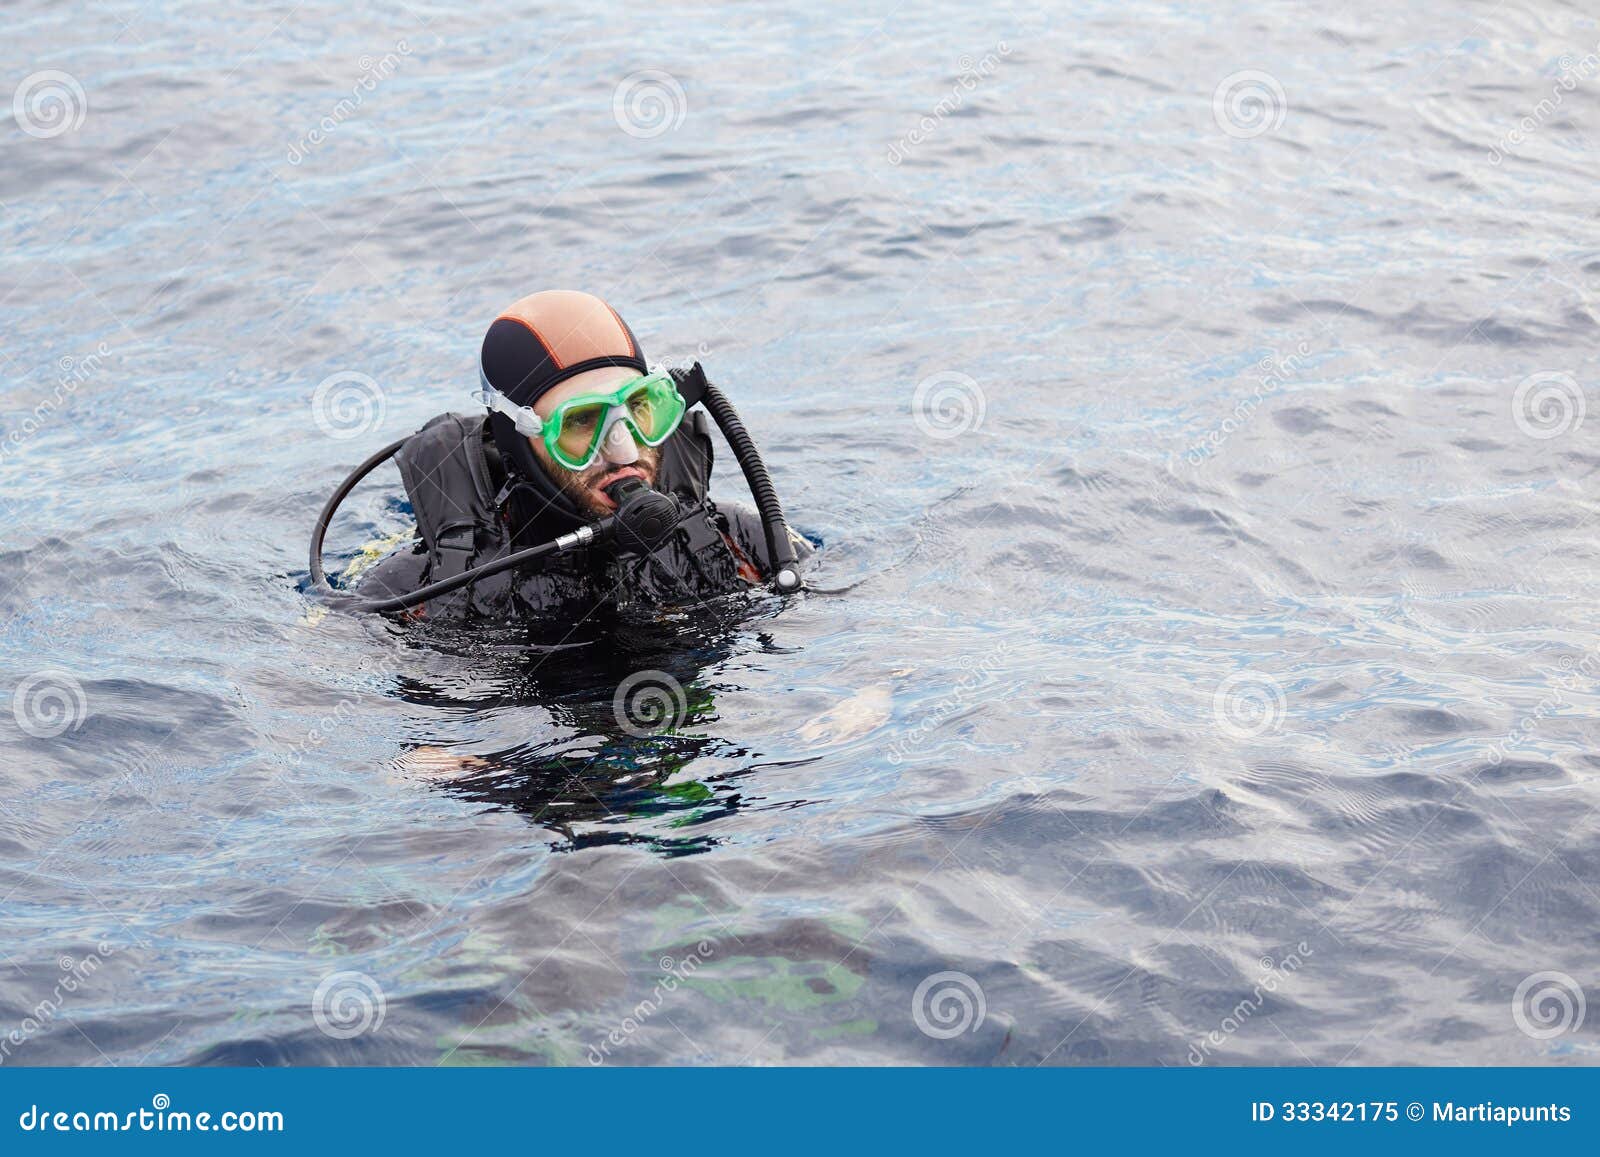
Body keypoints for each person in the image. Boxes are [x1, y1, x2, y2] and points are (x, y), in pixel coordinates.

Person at [351, 290, 809, 620]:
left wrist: (856, 696)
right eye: (581, 422)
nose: (625, 450)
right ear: (519, 438)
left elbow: (847, 617)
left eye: (637, 408)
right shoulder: (421, 587)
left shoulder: (739, 538)